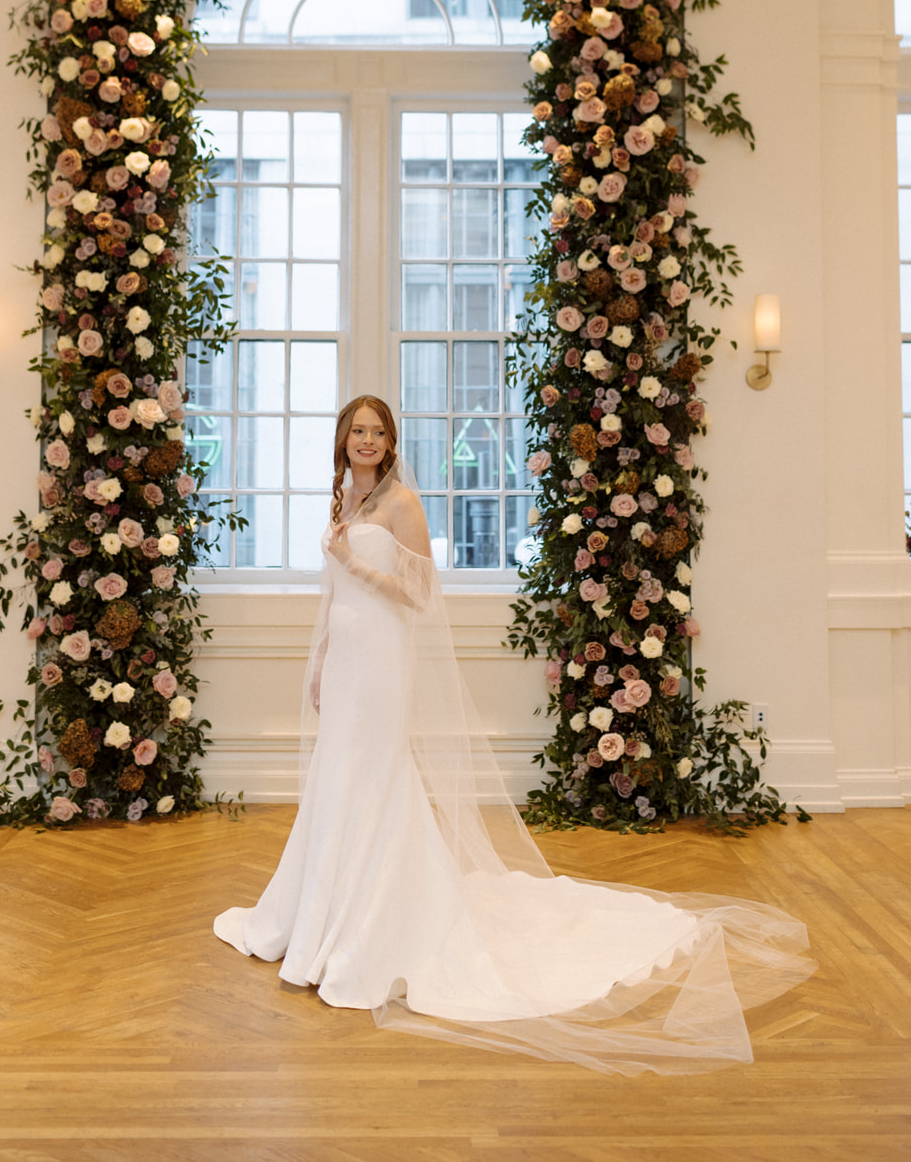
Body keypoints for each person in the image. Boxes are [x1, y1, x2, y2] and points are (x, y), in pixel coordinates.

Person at [214, 396, 815, 1075]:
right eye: (358, 430)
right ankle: (316, 915)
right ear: (342, 438)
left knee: (376, 774)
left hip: (382, 662)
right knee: (336, 776)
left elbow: (419, 596)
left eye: (378, 432)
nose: (367, 441)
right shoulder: (340, 502)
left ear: (389, 442)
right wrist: (319, 661)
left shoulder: (401, 503)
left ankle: (371, 919)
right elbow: (330, 597)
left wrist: (360, 568)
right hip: (345, 662)